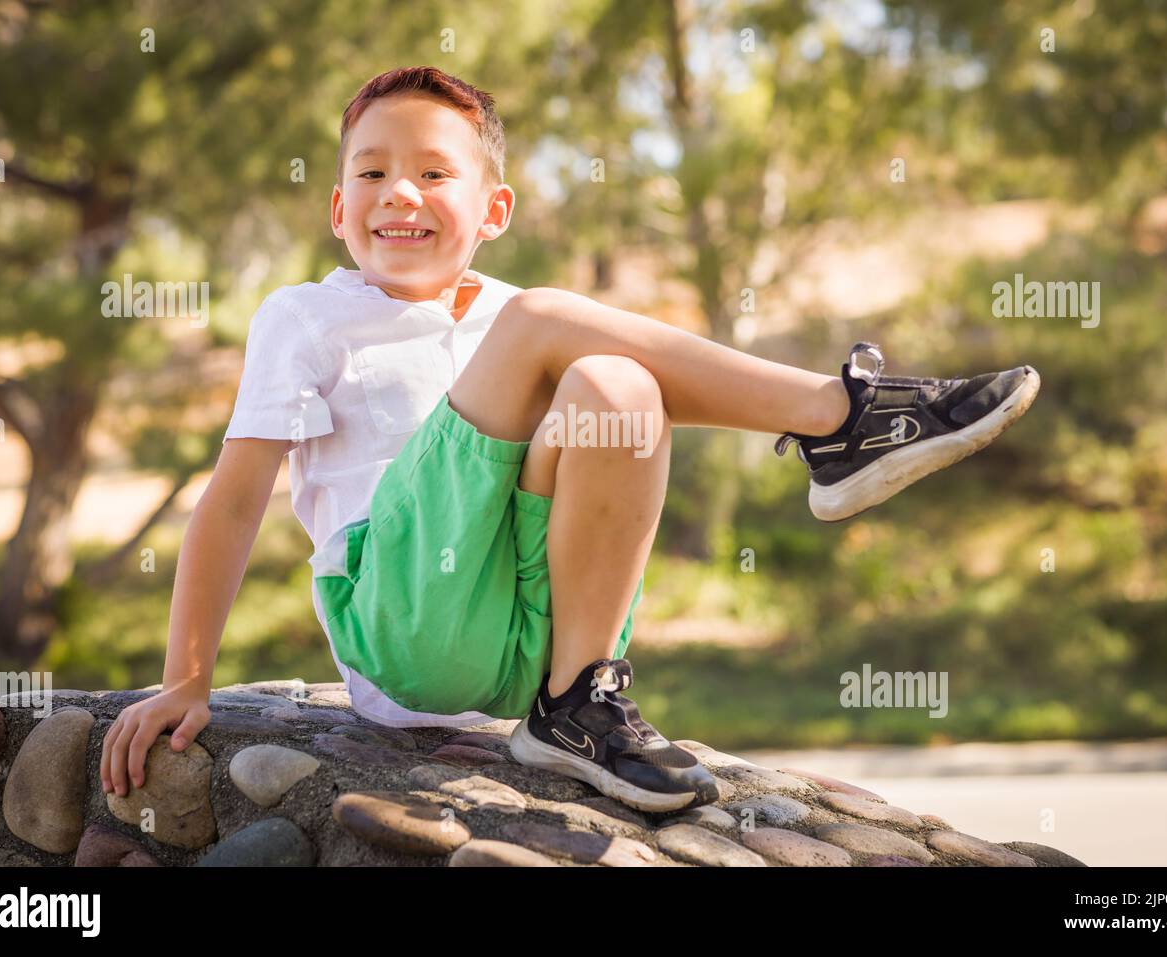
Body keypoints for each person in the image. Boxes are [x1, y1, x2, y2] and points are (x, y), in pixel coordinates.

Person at [100, 65, 1039, 814]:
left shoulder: (513, 319)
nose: (401, 194)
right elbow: (231, 499)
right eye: (372, 172)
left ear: (493, 211)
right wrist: (188, 678)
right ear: (338, 209)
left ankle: (580, 705)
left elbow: (654, 404)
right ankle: (842, 416)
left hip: (530, 643)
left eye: (435, 172)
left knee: (619, 382)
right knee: (555, 324)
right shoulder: (306, 317)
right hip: (407, 625)